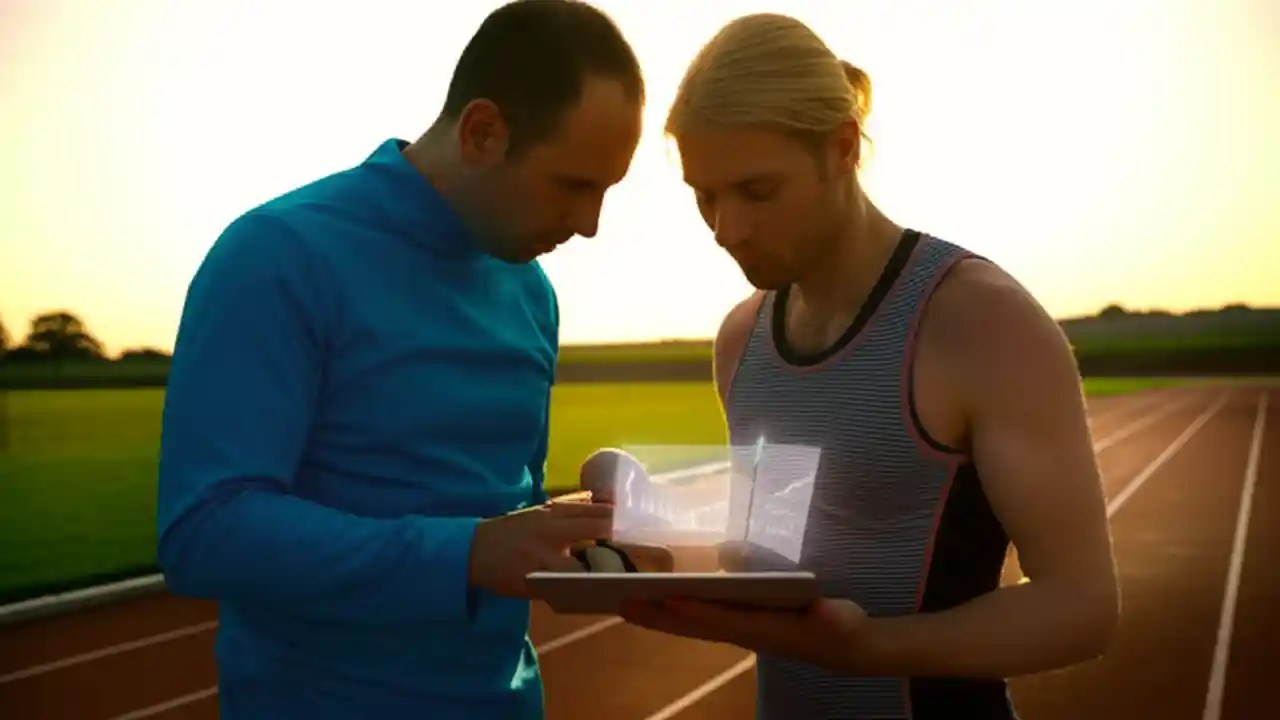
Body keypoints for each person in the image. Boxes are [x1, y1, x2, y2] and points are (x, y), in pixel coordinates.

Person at [620, 13, 1121, 719]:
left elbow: (1082, 609)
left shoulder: (980, 321)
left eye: (757, 191)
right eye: (705, 197)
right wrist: (635, 520)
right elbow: (786, 540)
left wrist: (867, 650)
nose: (727, 231)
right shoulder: (741, 339)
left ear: (843, 148)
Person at [154, 1, 642, 718]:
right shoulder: (276, 257)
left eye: (606, 191)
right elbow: (206, 531)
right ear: (482, 132)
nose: (590, 225)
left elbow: (490, 514)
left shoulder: (532, 290)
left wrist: (569, 532)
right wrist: (465, 553)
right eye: (573, 184)